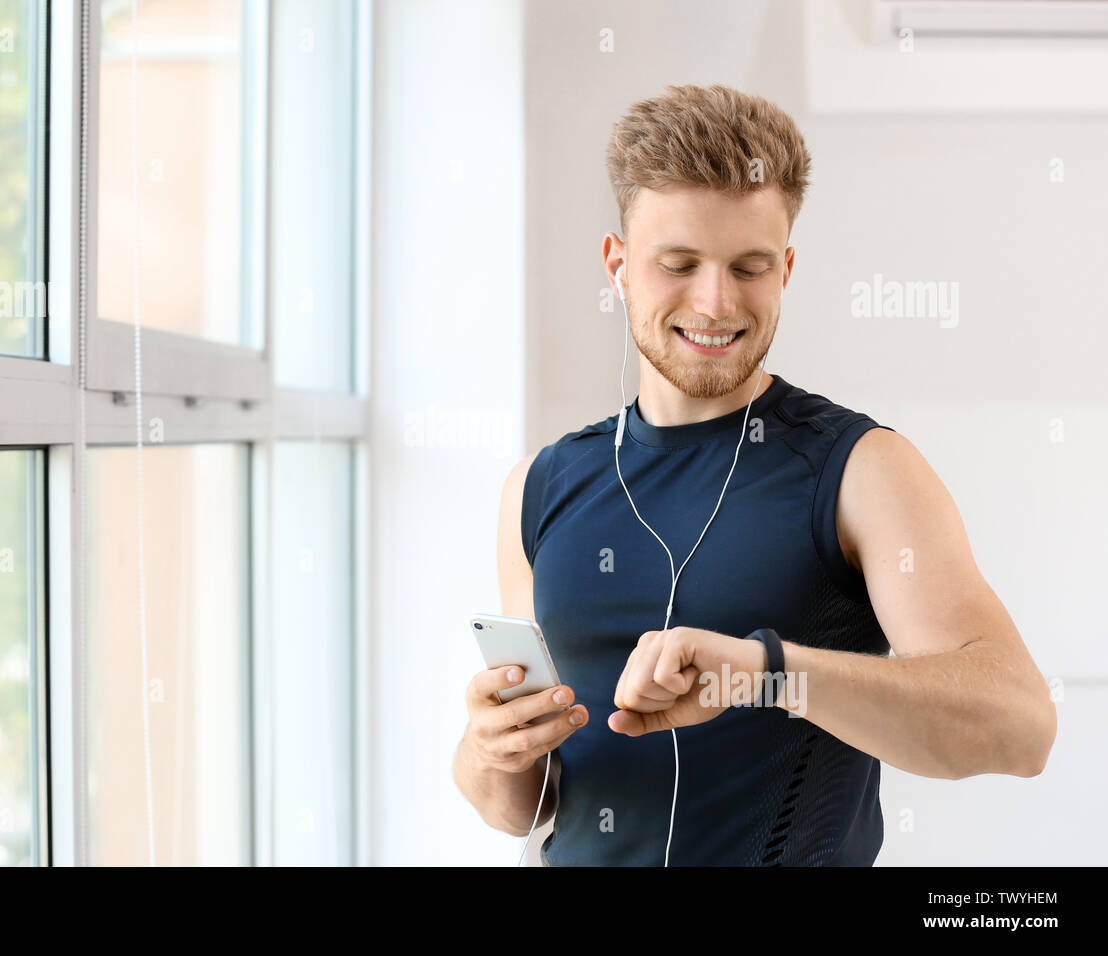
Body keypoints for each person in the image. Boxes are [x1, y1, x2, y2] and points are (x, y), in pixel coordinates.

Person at [451, 84, 1056, 866]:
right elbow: (520, 807)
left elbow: (1021, 726)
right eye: (679, 264)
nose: (716, 301)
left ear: (787, 269)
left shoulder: (862, 471)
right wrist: (489, 751)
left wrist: (772, 675)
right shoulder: (538, 487)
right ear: (618, 266)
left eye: (750, 266)